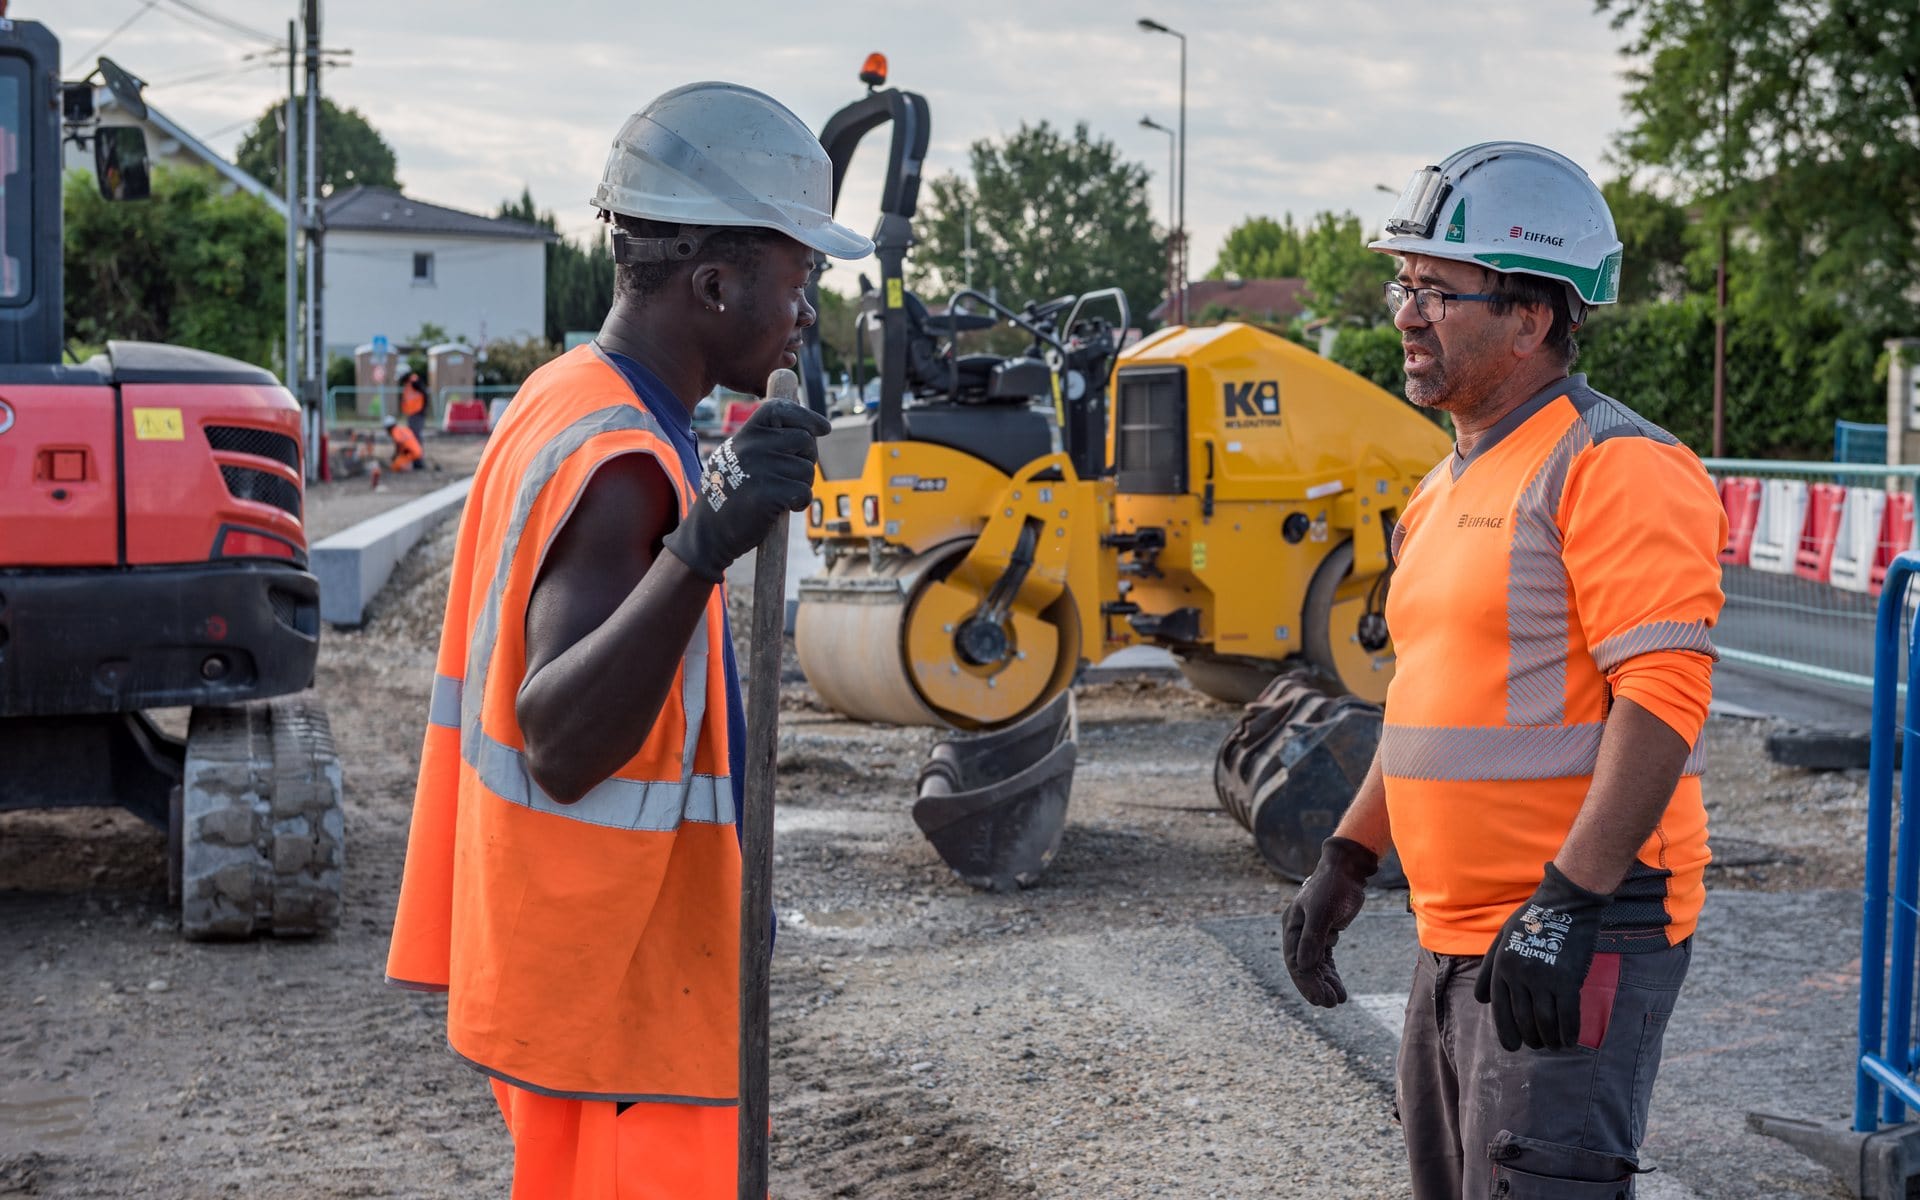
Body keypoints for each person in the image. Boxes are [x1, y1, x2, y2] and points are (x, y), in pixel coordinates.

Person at [383, 81, 871, 1199]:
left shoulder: (565, 395)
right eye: (799, 280)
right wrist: (703, 543)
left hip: (584, 954)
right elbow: (556, 734)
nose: (808, 315)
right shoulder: (621, 463)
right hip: (618, 989)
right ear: (715, 282)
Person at [1280, 143, 1727, 1199]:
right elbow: (1430, 701)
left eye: (1439, 289)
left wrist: (1570, 899)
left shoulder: (1615, 464)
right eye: (1405, 284)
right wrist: (1349, 855)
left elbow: (1664, 697)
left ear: (1533, 317)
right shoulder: (1441, 489)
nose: (1406, 312)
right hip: (1459, 934)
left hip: (1580, 923)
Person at [399, 370, 429, 442]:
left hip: (418, 412)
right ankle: (414, 451)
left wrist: (423, 408)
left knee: (416, 434)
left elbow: (424, 394)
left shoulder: (414, 382)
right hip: (412, 413)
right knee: (412, 434)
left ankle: (418, 452)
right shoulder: (408, 384)